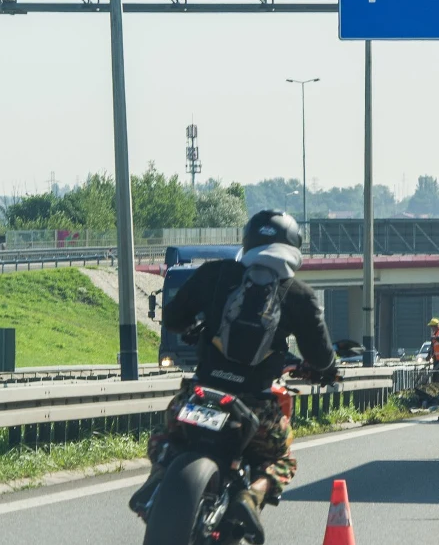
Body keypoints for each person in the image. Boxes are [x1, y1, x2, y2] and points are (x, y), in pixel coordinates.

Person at [128, 210, 337, 544]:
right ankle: (249, 497)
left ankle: (158, 479)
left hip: (199, 395)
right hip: (255, 409)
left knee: (167, 435)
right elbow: (320, 356)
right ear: (294, 247)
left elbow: (174, 319)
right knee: (281, 457)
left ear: (248, 240)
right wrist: (327, 369)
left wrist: (193, 328)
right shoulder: (299, 295)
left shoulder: (213, 274)